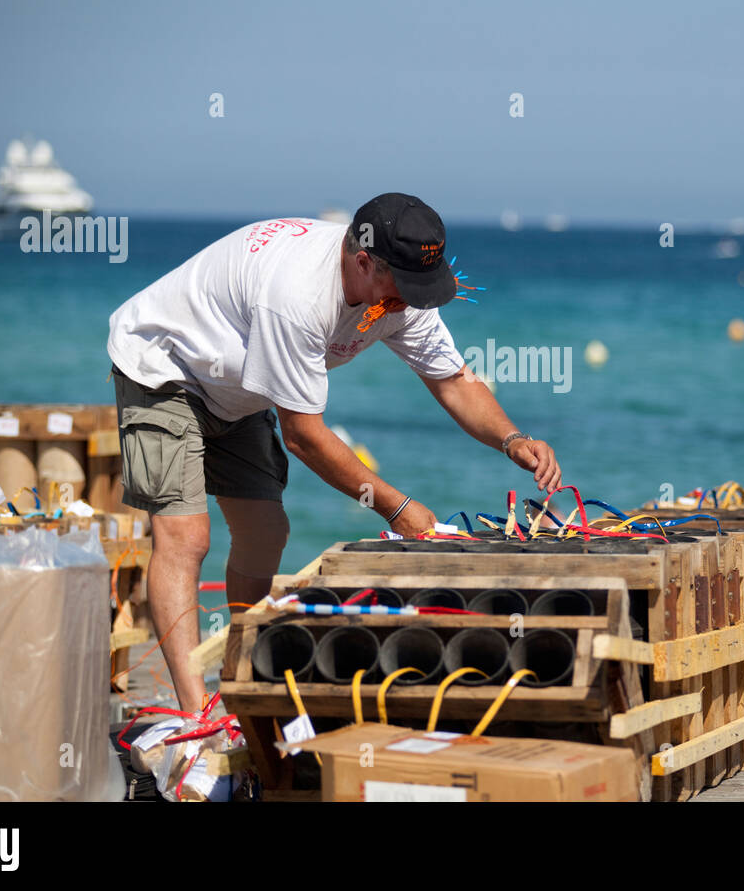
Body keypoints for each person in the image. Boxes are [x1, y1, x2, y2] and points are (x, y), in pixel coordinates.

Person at [106, 192, 560, 711]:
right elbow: (303, 435)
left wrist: (512, 438)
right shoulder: (296, 295)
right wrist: (399, 509)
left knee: (265, 531)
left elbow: (454, 381)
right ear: (364, 262)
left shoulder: (398, 295)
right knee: (186, 536)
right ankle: (195, 711)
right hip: (165, 367)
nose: (412, 302)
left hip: (240, 387)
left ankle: (237, 682)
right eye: (406, 287)